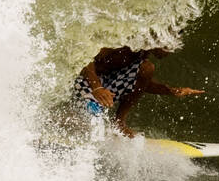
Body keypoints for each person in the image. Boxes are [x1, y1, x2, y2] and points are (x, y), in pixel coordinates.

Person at [72, 46, 203, 138]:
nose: (170, 51)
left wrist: (173, 91)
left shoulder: (142, 54)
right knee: (90, 124)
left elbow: (140, 84)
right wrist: (97, 88)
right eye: (169, 47)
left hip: (105, 85)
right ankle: (58, 121)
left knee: (147, 68)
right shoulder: (125, 43)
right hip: (86, 79)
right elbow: (84, 58)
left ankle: (118, 123)